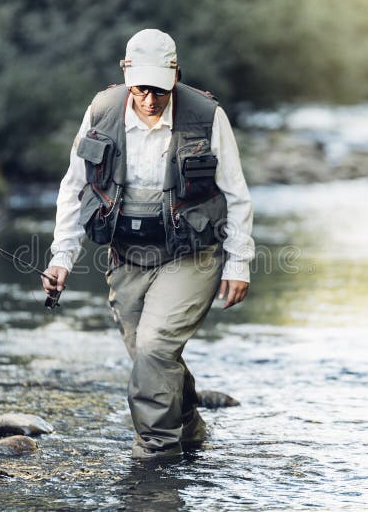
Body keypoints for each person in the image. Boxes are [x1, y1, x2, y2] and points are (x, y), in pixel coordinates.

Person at [42, 29, 254, 460]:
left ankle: (155, 454)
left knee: (156, 346)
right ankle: (189, 423)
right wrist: (61, 256)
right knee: (150, 357)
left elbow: (235, 193)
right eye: (142, 89)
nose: (151, 99)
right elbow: (74, 186)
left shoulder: (207, 116)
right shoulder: (101, 111)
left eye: (160, 89)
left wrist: (238, 263)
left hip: (191, 255)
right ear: (126, 74)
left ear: (175, 74)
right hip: (127, 256)